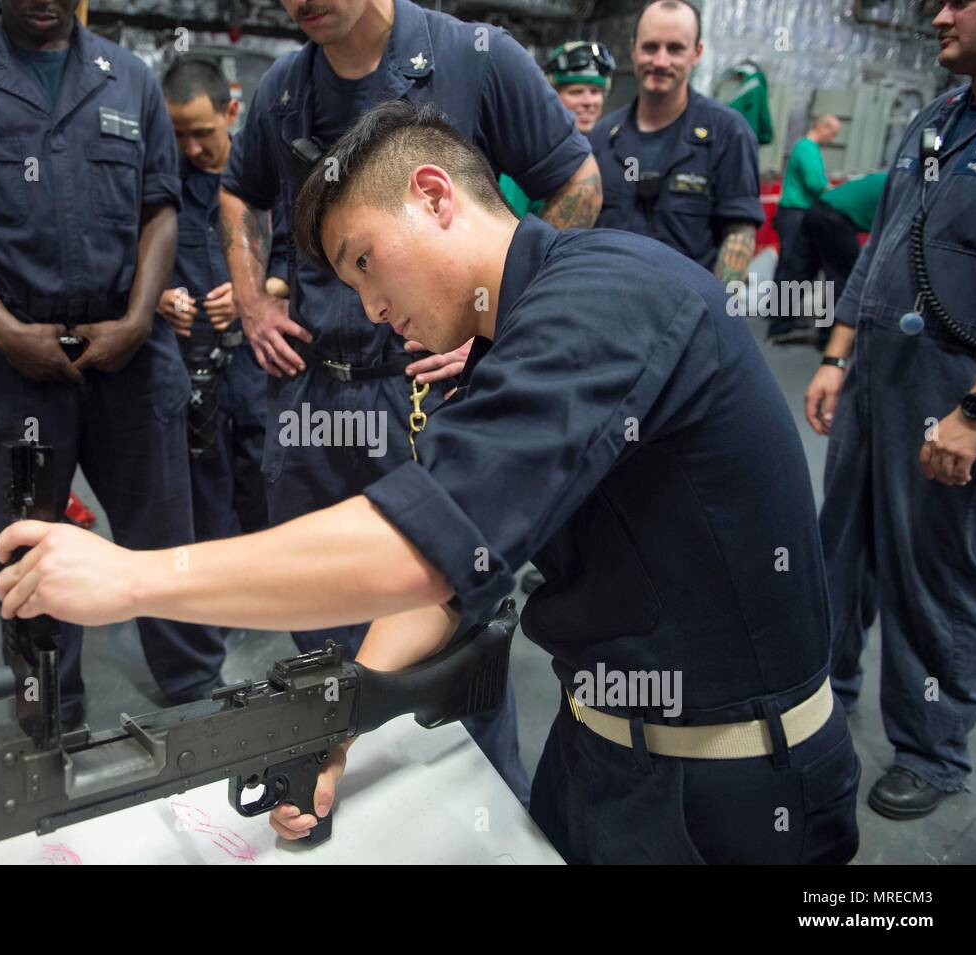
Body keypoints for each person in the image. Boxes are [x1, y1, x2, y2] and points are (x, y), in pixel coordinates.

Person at [0, 100, 861, 864]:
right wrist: (343, 710)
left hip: (727, 786)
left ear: (436, 196)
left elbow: (417, 550)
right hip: (599, 751)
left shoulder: (606, 297)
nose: (368, 307)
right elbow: (458, 561)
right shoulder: (501, 345)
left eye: (365, 261)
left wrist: (134, 576)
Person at [217, 0, 604, 805]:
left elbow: (576, 183)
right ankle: (335, 784)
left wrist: (504, 322)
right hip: (312, 388)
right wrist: (253, 300)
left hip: (432, 389)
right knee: (319, 611)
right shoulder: (286, 89)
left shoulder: (476, 57)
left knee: (447, 617)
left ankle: (486, 814)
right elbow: (238, 191)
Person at [0, 0, 226, 721]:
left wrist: (138, 316)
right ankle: (49, 707)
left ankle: (195, 681)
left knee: (163, 529)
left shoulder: (127, 77)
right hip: (15, 365)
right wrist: (5, 330)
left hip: (131, 354)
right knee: (30, 546)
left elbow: (159, 206)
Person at [803, 0, 976, 822]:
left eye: (956, 1)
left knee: (931, 572)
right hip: (875, 375)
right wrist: (838, 354)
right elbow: (880, 243)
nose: (937, 15)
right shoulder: (939, 116)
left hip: (951, 392)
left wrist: (975, 413)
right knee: (838, 550)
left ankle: (933, 751)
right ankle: (822, 707)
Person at [157, 57, 283, 541]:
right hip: (188, 361)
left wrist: (257, 292)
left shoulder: (268, 176)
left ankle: (264, 578)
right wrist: (157, 298)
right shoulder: (162, 182)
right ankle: (217, 596)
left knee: (263, 473)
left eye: (203, 133)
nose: (192, 148)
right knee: (202, 483)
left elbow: (301, 257)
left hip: (257, 358)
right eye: (179, 134)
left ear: (231, 112)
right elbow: (128, 254)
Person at [590, 0, 764, 284]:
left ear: (697, 53)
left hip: (685, 318)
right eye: (650, 47)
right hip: (607, 310)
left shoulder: (729, 134)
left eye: (675, 48)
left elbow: (739, 233)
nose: (660, 61)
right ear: (633, 49)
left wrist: (717, 313)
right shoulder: (602, 137)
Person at [500, 40, 615, 217]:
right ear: (550, 95)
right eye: (576, 92)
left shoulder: (609, 147)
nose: (588, 102)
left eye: (595, 91)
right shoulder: (529, 154)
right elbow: (508, 224)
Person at [774, 171, 886, 350]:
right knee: (843, 280)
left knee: (800, 270)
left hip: (818, 208)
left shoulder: (884, 178)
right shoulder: (904, 188)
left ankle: (779, 326)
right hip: (838, 220)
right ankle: (829, 337)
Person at [769, 114, 842, 344]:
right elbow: (815, 183)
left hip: (794, 213)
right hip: (796, 213)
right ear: (822, 127)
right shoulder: (807, 148)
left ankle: (782, 313)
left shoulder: (804, 147)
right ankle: (781, 320)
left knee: (789, 266)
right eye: (833, 132)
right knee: (794, 267)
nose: (833, 138)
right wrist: (838, 195)